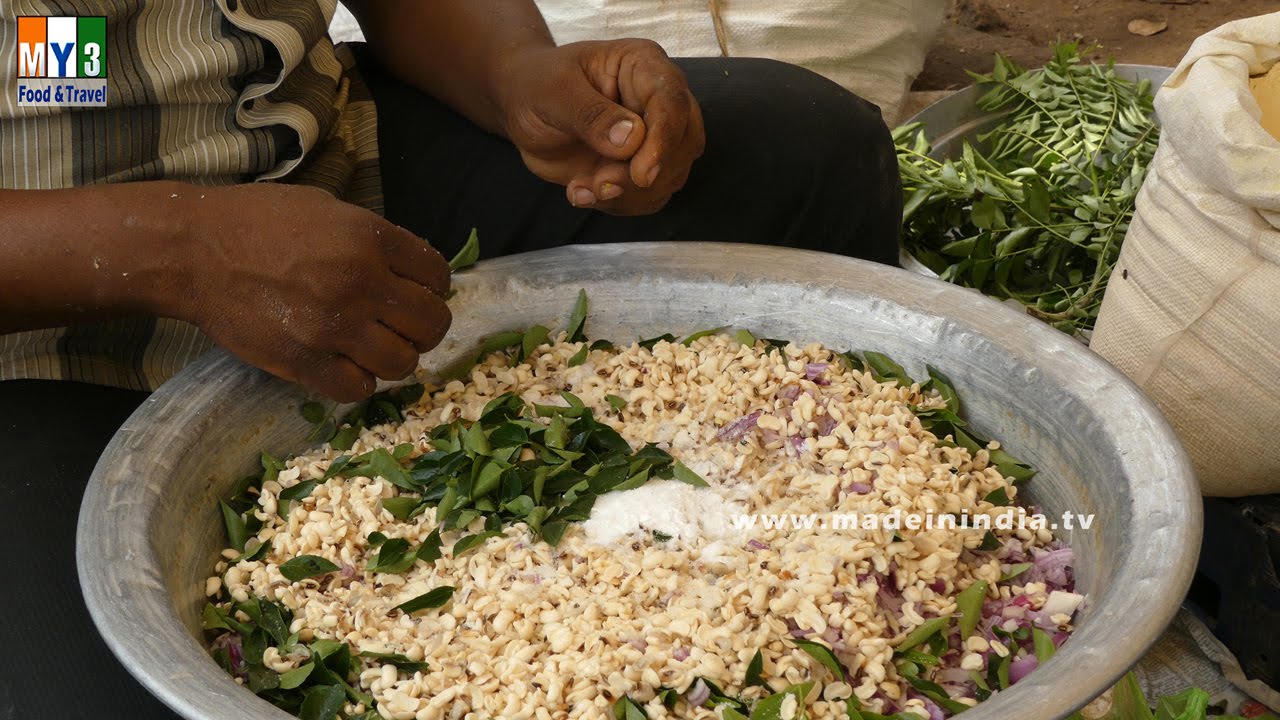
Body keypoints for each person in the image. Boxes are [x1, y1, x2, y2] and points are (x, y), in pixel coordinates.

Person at [0, 1, 901, 716]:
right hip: (43, 316)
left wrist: (516, 73)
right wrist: (180, 251)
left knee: (810, 150)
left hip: (322, 163)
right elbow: (52, 58)